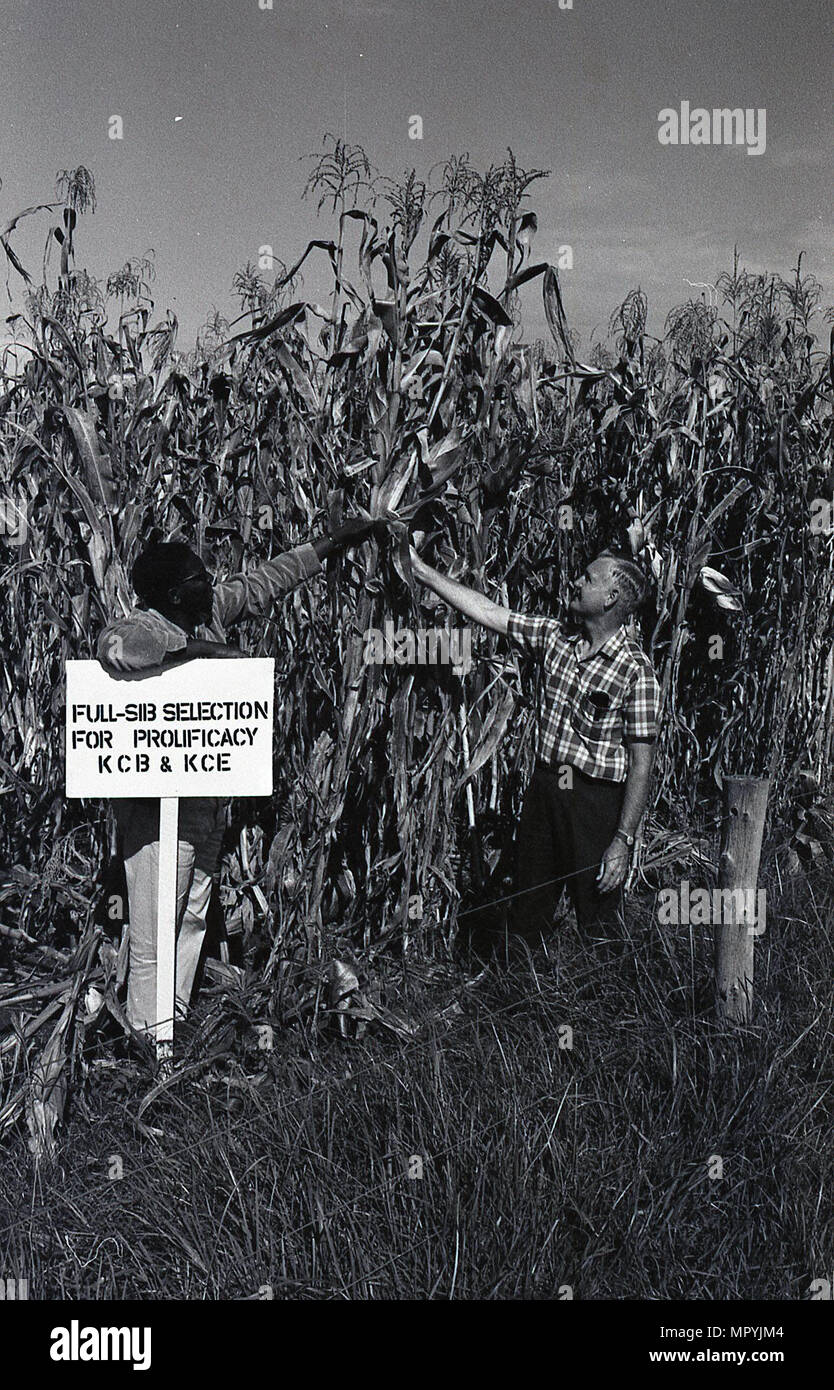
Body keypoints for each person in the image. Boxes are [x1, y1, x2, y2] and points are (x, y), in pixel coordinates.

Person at [97, 519, 372, 1036]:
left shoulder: (207, 615)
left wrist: (338, 539)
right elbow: (115, 649)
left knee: (192, 919)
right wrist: (199, 656)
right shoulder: (147, 626)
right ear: (176, 593)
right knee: (155, 931)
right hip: (159, 815)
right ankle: (146, 1043)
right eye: (202, 578)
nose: (214, 583)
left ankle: (169, 1033)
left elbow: (267, 580)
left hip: (206, 808)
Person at [409, 545, 661, 948]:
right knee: (528, 908)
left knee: (599, 923)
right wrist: (424, 573)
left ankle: (610, 1002)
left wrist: (623, 839)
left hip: (594, 803)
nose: (576, 581)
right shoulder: (555, 638)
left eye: (589, 578)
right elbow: (490, 613)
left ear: (611, 598)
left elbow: (641, 763)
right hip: (545, 791)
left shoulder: (636, 671)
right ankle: (520, 999)